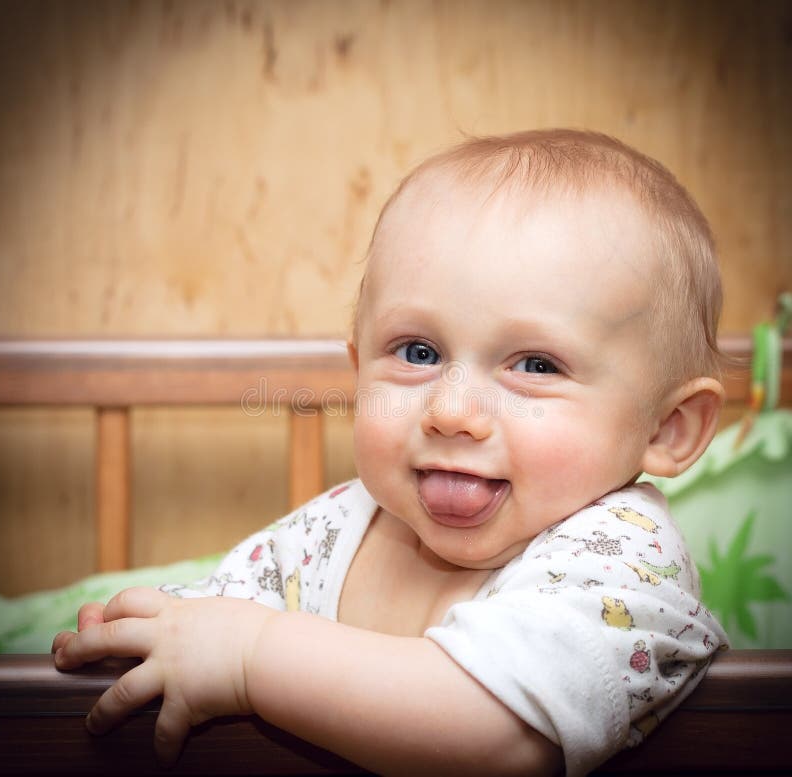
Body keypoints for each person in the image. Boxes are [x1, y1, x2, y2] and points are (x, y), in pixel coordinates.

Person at [52, 129, 729, 777]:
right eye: (418, 353)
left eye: (535, 364)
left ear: (667, 427)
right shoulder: (337, 526)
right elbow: (212, 622)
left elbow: (493, 735)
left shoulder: (624, 557)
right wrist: (141, 628)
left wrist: (250, 655)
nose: (452, 410)